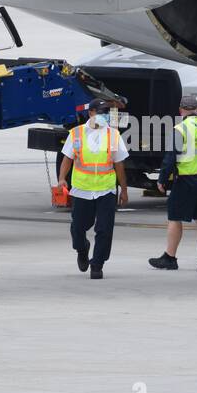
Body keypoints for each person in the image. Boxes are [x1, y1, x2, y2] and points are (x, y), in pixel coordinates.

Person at [58, 98, 129, 279]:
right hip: (82, 189)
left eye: (106, 113)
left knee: (105, 229)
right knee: (78, 228)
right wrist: (61, 179)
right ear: (91, 113)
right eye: (101, 112)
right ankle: (82, 250)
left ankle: (97, 264)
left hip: (106, 189)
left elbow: (119, 163)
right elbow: (67, 158)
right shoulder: (76, 134)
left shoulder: (113, 135)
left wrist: (124, 189)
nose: (104, 116)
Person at [149, 95, 197, 272]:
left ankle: (170, 258)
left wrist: (162, 179)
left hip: (188, 177)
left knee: (174, 217)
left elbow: (171, 156)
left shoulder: (180, 128)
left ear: (180, 110)